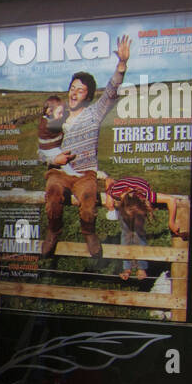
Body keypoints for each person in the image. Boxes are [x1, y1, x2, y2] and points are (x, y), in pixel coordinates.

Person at [40, 36, 131, 261]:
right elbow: (41, 148)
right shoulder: (57, 117)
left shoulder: (94, 114)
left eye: (80, 91)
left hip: (85, 174)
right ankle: (53, 231)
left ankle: (89, 233)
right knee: (52, 193)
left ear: (88, 96)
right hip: (59, 173)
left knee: (89, 200)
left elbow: (111, 91)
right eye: (72, 88)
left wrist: (121, 66)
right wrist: (53, 160)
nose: (73, 93)